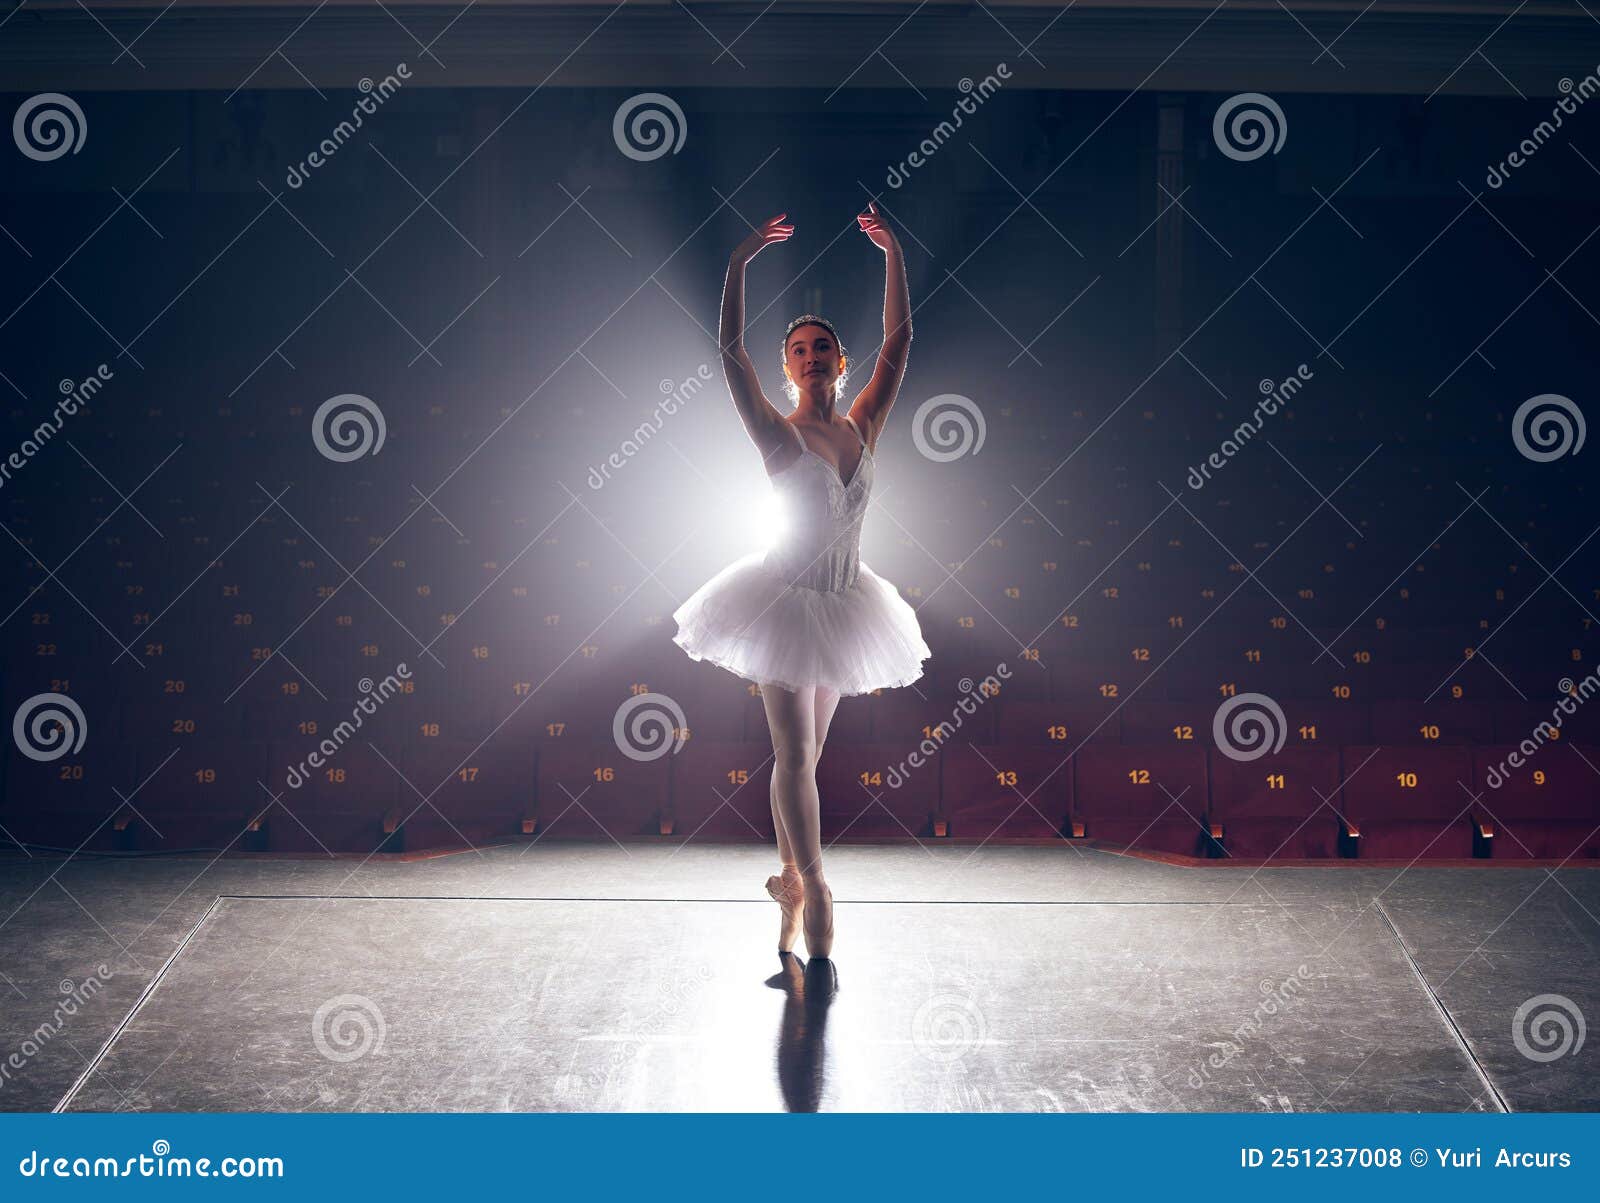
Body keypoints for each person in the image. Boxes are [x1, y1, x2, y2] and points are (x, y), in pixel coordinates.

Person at [672, 204, 929, 960]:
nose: (810, 356)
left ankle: (787, 878)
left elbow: (902, 340)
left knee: (808, 762)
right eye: (798, 349)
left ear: (838, 360)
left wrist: (894, 253)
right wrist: (741, 262)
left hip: (846, 604)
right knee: (792, 757)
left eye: (822, 347)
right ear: (786, 367)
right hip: (781, 600)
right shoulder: (777, 434)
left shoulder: (862, 426)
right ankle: (816, 886)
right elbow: (727, 353)